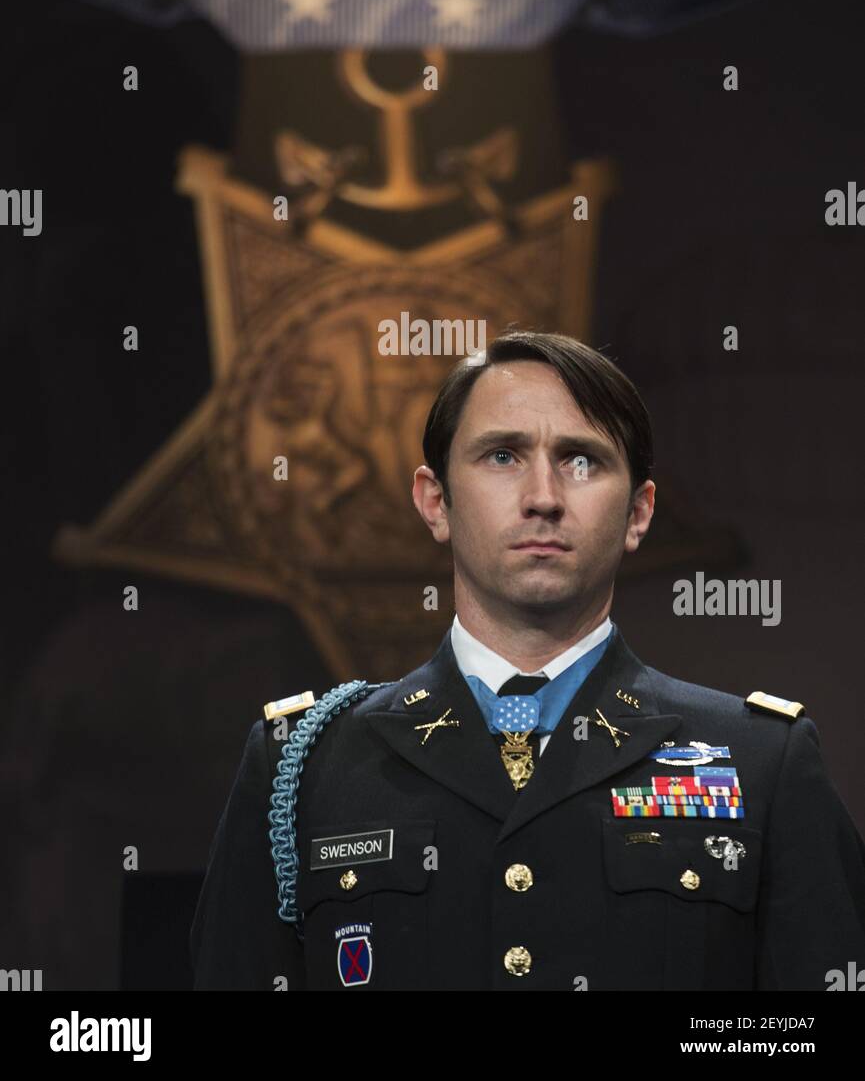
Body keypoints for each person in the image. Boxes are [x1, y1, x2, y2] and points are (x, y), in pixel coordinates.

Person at [189, 330, 865, 990]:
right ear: (434, 501)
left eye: (580, 460)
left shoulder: (760, 762)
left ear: (638, 512)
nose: (543, 496)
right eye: (502, 456)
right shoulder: (301, 764)